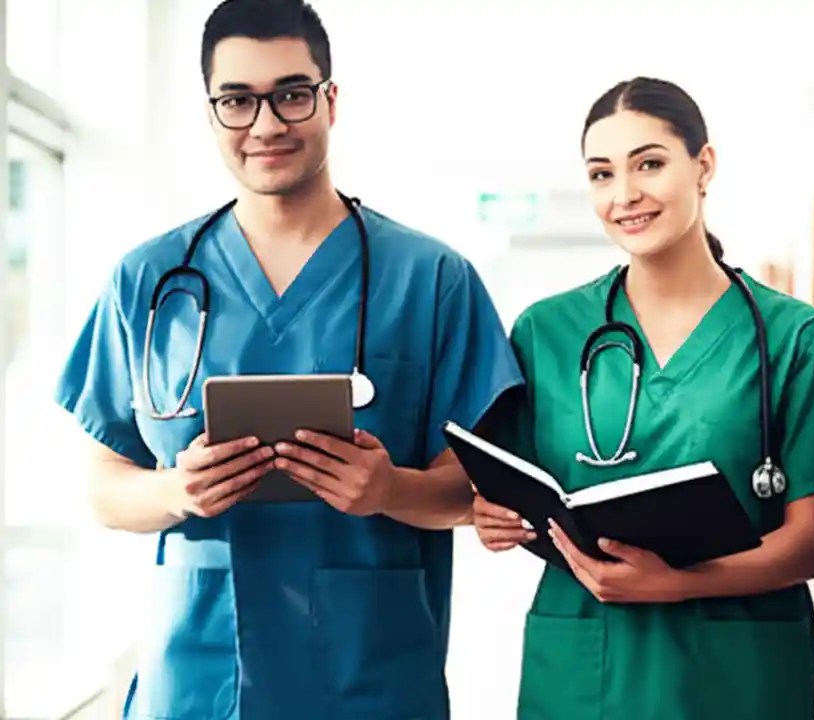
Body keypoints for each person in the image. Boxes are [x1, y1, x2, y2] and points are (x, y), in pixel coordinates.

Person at [53, 1, 522, 717]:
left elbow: (481, 491)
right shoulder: (149, 281)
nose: (266, 125)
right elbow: (106, 488)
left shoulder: (431, 278)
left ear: (330, 100)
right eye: (237, 100)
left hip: (372, 678)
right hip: (202, 677)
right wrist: (179, 490)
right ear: (211, 114)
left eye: (291, 94)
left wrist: (387, 489)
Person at [469, 76, 814, 719]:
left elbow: (807, 546)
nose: (625, 195)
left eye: (650, 164)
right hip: (585, 670)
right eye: (602, 175)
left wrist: (678, 584)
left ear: (703, 165)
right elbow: (514, 492)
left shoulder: (798, 340)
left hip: (735, 676)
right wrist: (494, 517)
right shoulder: (545, 333)